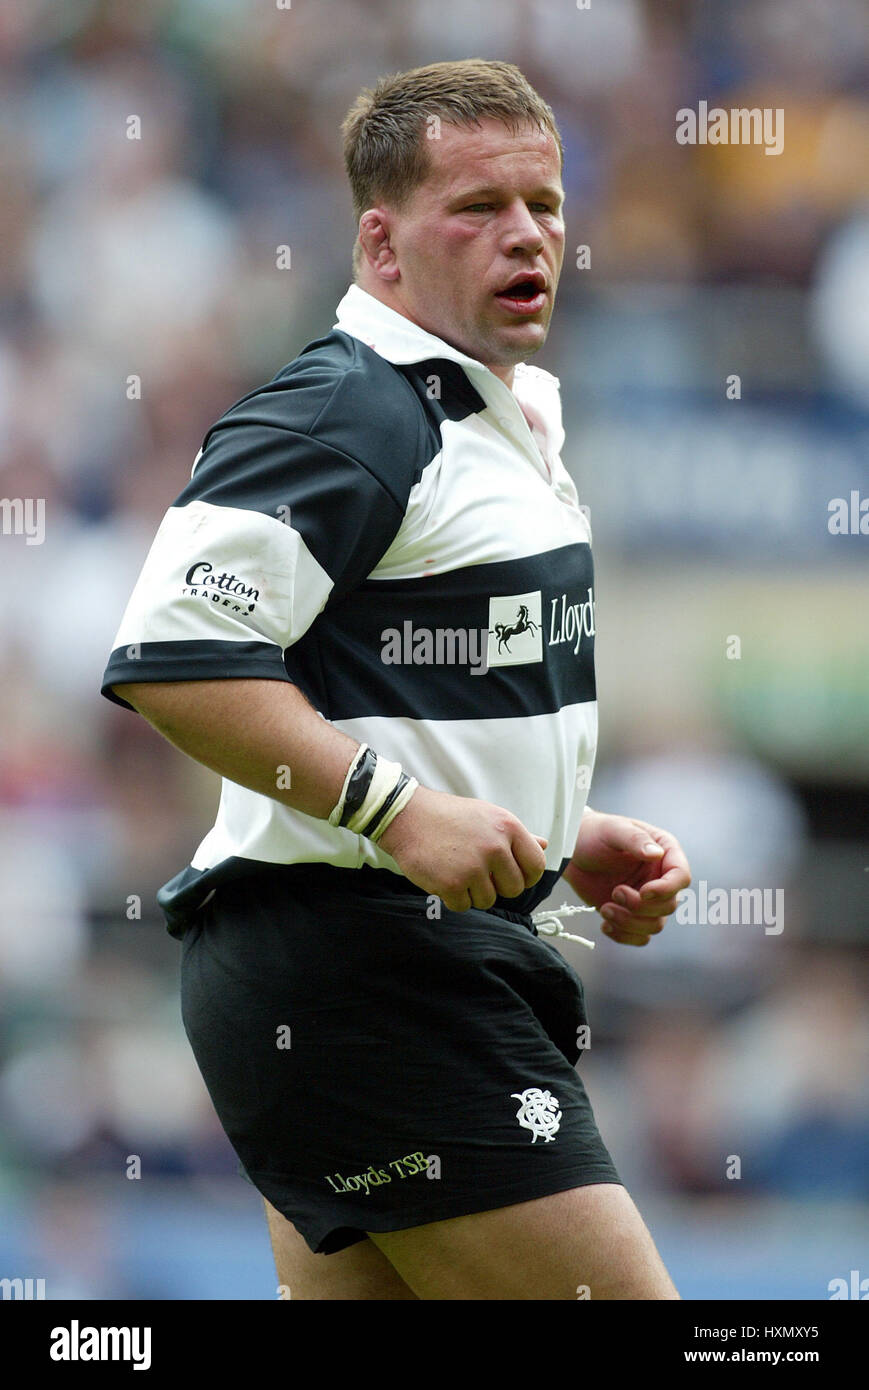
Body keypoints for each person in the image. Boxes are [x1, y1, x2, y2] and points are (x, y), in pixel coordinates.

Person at [102, 58, 691, 1300]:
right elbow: (174, 661)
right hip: (366, 973)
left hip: (377, 968)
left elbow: (390, 681)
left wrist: (551, 829)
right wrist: (397, 811)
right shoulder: (346, 410)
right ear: (380, 242)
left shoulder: (501, 411)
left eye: (544, 202)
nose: (523, 233)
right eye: (475, 209)